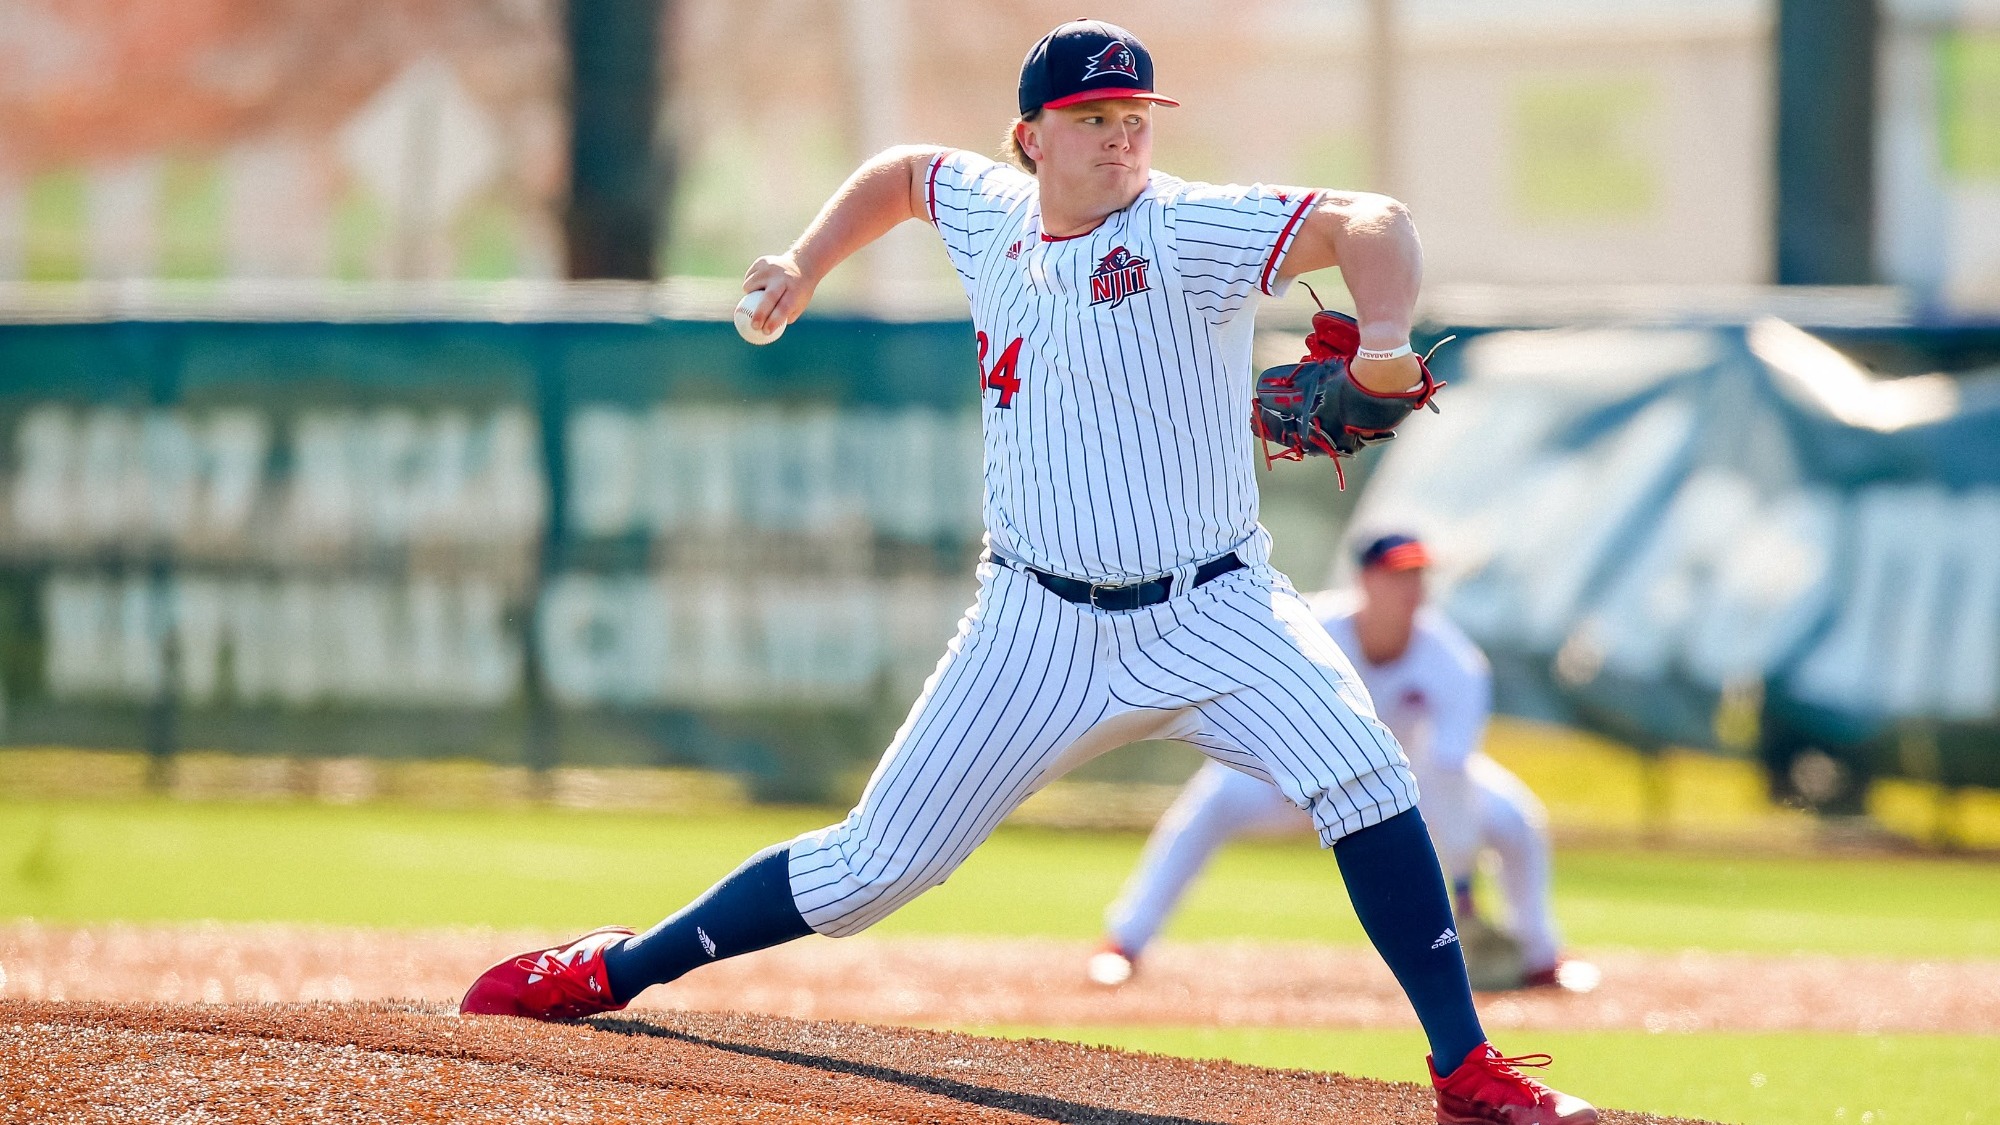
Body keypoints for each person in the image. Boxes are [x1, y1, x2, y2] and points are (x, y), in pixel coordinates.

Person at [459, 19, 1596, 1125]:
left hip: (1217, 608)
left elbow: (1371, 220)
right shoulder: (989, 212)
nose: (1117, 138)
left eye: (1132, 117)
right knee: (868, 874)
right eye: (1089, 117)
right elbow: (907, 174)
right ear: (1031, 137)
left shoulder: (1181, 231)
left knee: (1363, 777)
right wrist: (805, 261)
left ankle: (1465, 1065)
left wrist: (1389, 347)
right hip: (1034, 625)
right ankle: (614, 969)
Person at [1091, 533, 1599, 997]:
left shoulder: (1454, 662)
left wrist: (1462, 882)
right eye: (1397, 575)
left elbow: (1450, 769)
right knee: (1213, 802)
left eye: (1418, 576)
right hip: (1295, 772)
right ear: (1364, 580)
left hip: (1407, 787)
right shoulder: (1309, 626)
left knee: (1514, 818)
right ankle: (1125, 943)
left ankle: (1541, 956)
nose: (1411, 588)